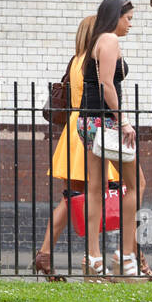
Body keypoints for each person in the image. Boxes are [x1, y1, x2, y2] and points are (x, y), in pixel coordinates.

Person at [78, 0, 151, 277]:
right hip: (105, 123)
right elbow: (108, 85)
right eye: (128, 18)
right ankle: (125, 254)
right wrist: (123, 122)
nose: (130, 25)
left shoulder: (94, 41)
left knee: (95, 189)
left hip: (87, 122)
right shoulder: (109, 40)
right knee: (137, 184)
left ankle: (93, 259)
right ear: (115, 17)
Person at [32, 14, 97, 279]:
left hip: (74, 128)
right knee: (104, 194)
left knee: (72, 197)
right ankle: (102, 258)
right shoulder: (92, 61)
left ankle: (45, 255)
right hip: (88, 130)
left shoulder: (76, 61)